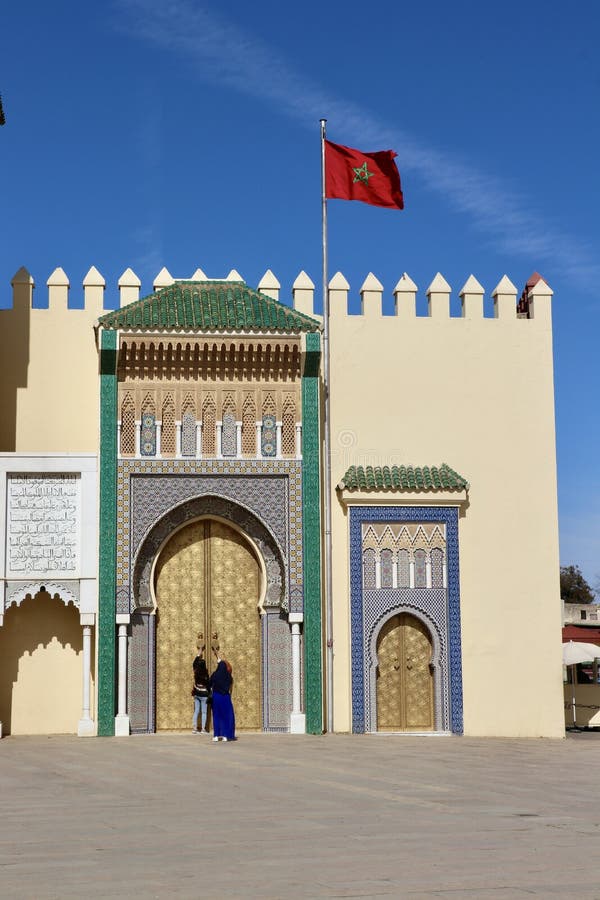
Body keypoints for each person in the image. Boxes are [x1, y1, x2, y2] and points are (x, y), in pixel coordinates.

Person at [209, 648, 236, 742]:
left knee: (216, 715)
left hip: (216, 697)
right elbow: (230, 686)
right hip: (226, 697)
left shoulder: (215, 675)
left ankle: (216, 735)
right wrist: (217, 654)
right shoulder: (229, 677)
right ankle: (225, 735)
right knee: (226, 716)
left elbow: (209, 684)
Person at [191, 645, 210, 734]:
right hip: (204, 695)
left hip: (196, 694)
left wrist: (200, 652)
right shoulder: (205, 675)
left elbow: (194, 662)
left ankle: (194, 729)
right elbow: (208, 685)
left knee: (196, 711)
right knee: (204, 712)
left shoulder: (196, 671)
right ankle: (203, 729)